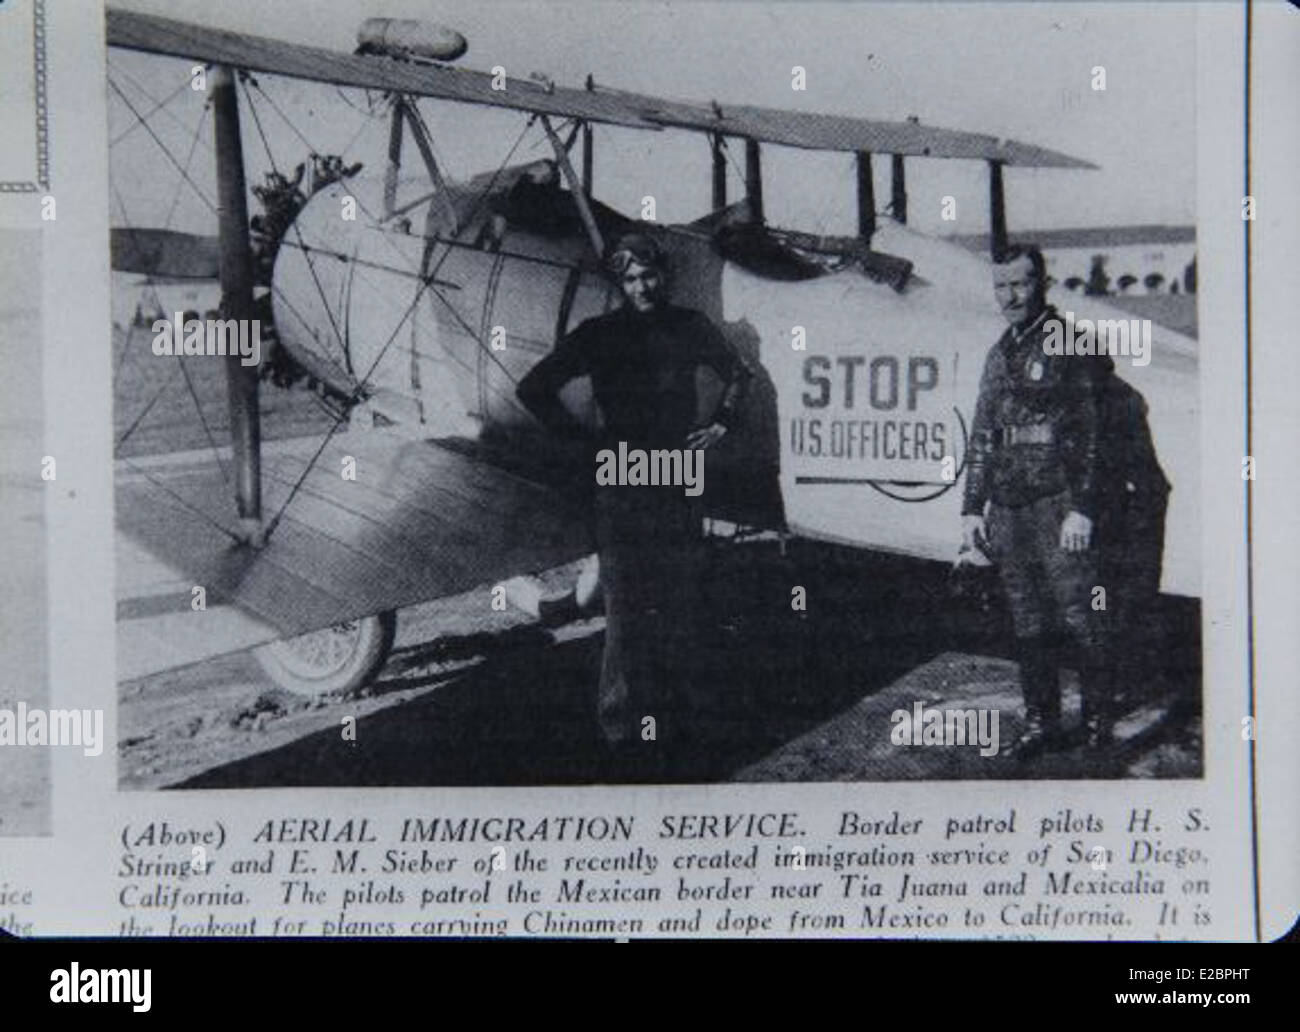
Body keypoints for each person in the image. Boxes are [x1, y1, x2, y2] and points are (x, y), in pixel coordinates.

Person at [516, 233, 751, 767]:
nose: (642, 286)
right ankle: (622, 732)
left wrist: (722, 423)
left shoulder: (690, 326)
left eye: (649, 276)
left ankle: (685, 724)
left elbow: (740, 373)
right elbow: (533, 388)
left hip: (677, 475)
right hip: (622, 480)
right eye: (631, 279)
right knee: (624, 610)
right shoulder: (598, 335)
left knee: (683, 603)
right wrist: (584, 447)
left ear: (661, 277)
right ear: (619, 284)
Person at [962, 245, 1123, 758]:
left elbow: (1095, 433)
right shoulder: (998, 351)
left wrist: (1084, 507)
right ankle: (1041, 721)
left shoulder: (1071, 344)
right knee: (1027, 619)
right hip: (1008, 507)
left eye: (1020, 284)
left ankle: (1098, 725)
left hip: (1058, 503)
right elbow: (984, 434)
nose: (1010, 296)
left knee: (1080, 616)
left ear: (1043, 285)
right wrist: (970, 508)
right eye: (1001, 286)